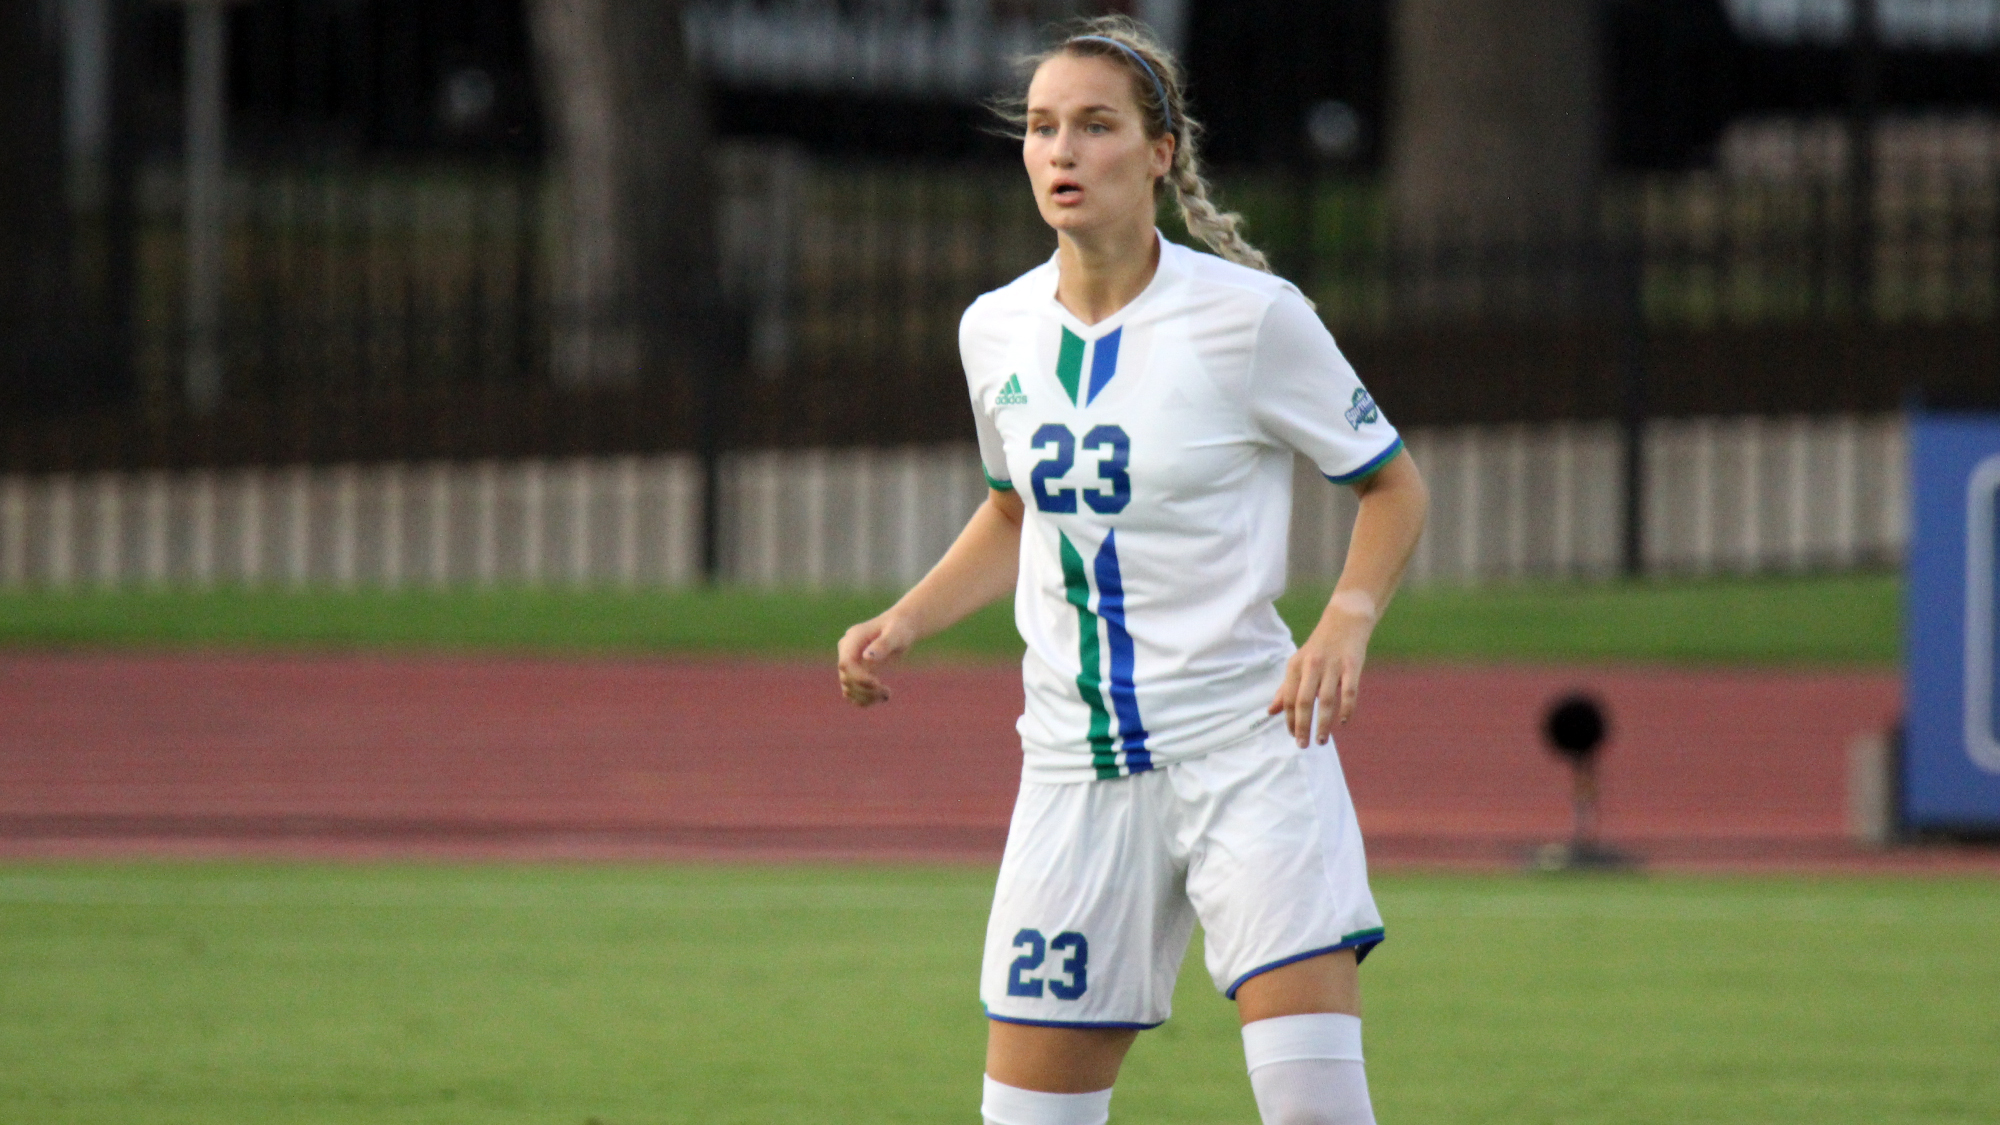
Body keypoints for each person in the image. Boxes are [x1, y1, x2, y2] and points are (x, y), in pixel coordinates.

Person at [836, 16, 1428, 1125]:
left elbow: (1391, 485)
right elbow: (1016, 510)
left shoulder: (1250, 319)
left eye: (1094, 126)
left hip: (1247, 752)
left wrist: (1343, 621)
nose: (1060, 151)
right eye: (1042, 127)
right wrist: (907, 619)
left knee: (1313, 1113)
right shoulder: (994, 331)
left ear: (1159, 154)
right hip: (1073, 773)